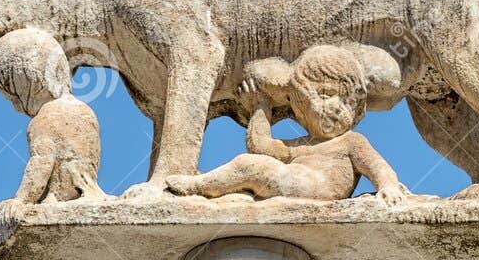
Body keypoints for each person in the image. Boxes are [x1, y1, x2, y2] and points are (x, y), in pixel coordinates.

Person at [167, 44, 412, 204]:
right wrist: (260, 106)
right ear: (300, 105)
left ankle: (198, 186)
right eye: (326, 94)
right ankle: (212, 187)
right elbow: (261, 146)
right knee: (249, 166)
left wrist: (388, 186)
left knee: (250, 165)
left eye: (348, 101)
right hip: (291, 181)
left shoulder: (351, 142)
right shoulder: (301, 147)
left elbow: (378, 167)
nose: (338, 106)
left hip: (313, 187)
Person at [0, 28, 103, 204]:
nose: (17, 108)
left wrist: (20, 201)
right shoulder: (84, 110)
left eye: (14, 96)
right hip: (88, 192)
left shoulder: (46, 118)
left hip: (58, 198)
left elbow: (42, 162)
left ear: (28, 81)